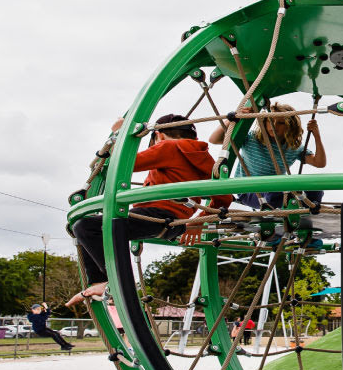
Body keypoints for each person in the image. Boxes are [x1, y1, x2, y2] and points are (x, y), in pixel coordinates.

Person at [71, 113, 232, 286]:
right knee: (98, 229)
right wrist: (198, 222)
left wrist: (118, 134)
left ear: (159, 135)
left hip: (152, 216)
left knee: (85, 226)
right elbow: (225, 197)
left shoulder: (168, 147)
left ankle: (109, 282)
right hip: (174, 224)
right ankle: (103, 282)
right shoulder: (204, 158)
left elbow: (124, 163)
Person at [207, 102, 326, 209]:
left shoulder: (293, 148)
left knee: (315, 188)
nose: (274, 125)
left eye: (280, 123)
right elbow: (214, 139)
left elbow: (319, 163)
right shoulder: (251, 138)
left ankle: (308, 210)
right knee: (277, 193)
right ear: (264, 121)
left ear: (289, 126)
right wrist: (233, 118)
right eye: (270, 120)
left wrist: (317, 135)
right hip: (249, 192)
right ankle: (288, 208)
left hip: (277, 191)